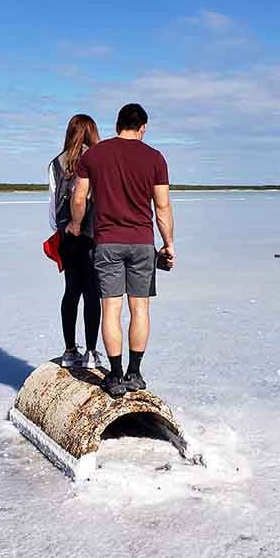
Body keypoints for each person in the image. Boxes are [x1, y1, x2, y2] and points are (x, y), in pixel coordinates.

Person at [66, 103, 175, 396]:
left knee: (110, 309)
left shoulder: (94, 155)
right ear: (143, 128)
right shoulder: (155, 158)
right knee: (140, 309)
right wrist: (168, 243)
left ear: (117, 125)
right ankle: (134, 374)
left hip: (107, 242)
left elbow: (79, 197)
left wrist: (76, 224)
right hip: (141, 243)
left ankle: (115, 377)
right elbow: (162, 207)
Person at [48, 114, 103, 369]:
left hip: (68, 235)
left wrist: (61, 228)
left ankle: (70, 351)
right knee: (92, 292)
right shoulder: (97, 160)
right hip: (92, 233)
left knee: (71, 291)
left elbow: (52, 206)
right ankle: (91, 351)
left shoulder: (56, 163)